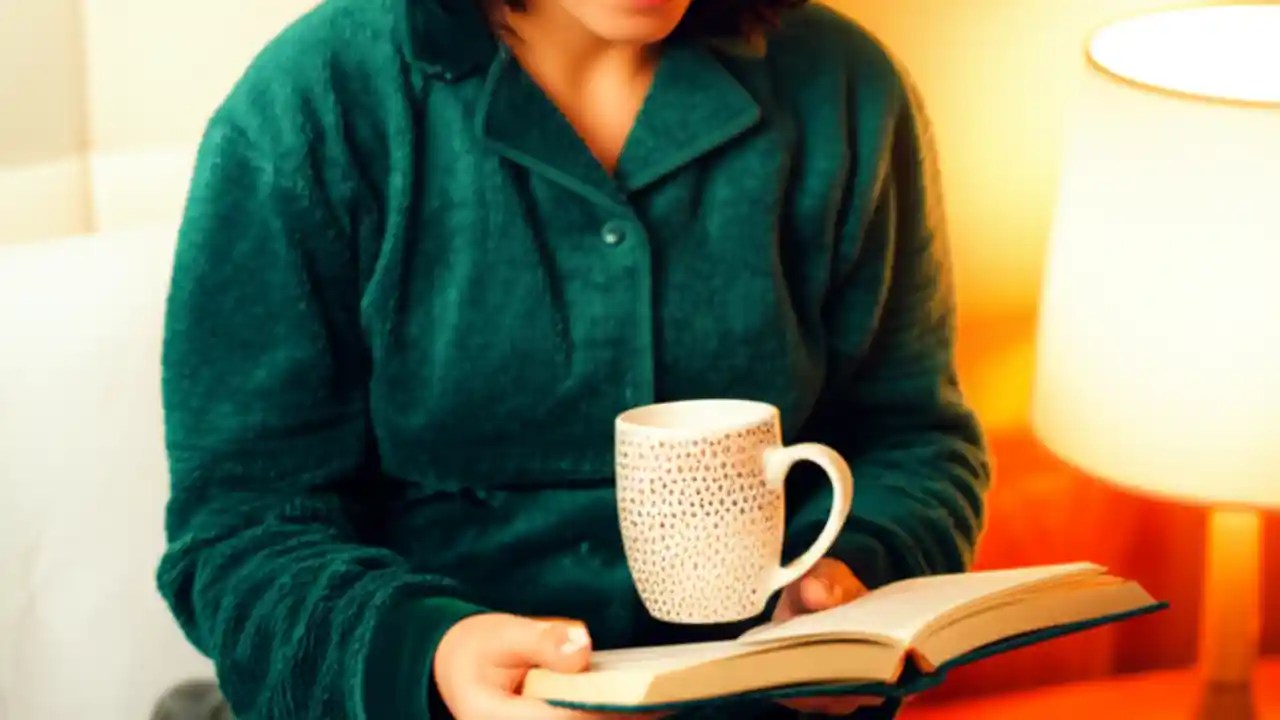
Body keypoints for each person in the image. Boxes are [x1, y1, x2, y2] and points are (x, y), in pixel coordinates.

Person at [154, 0, 991, 715]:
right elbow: (242, 527)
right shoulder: (312, 110)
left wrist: (853, 582)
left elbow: (915, 440)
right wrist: (430, 656)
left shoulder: (848, 94)